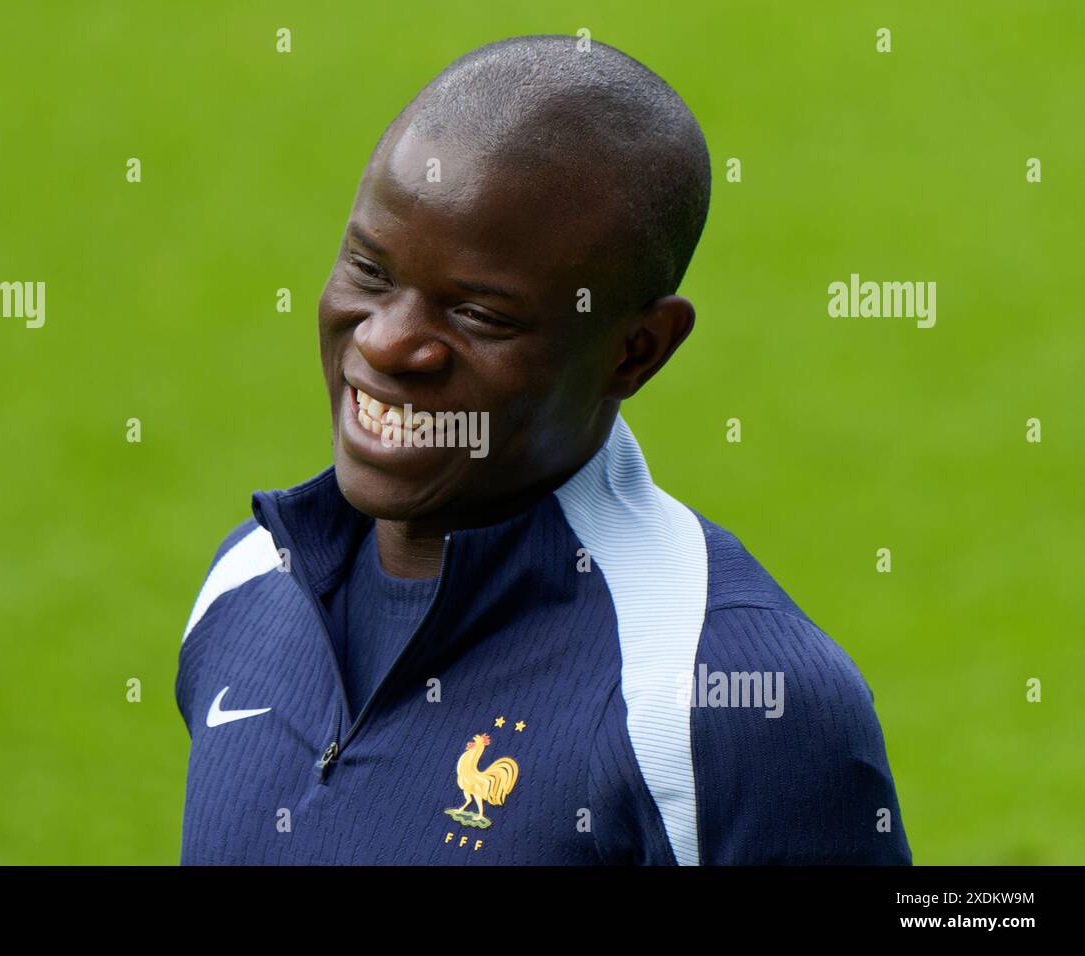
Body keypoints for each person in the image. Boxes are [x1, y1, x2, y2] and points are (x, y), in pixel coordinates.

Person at [175, 34, 910, 865]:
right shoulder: (250, 582)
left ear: (637, 351)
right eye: (370, 273)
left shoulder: (724, 701)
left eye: (479, 315)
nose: (385, 344)